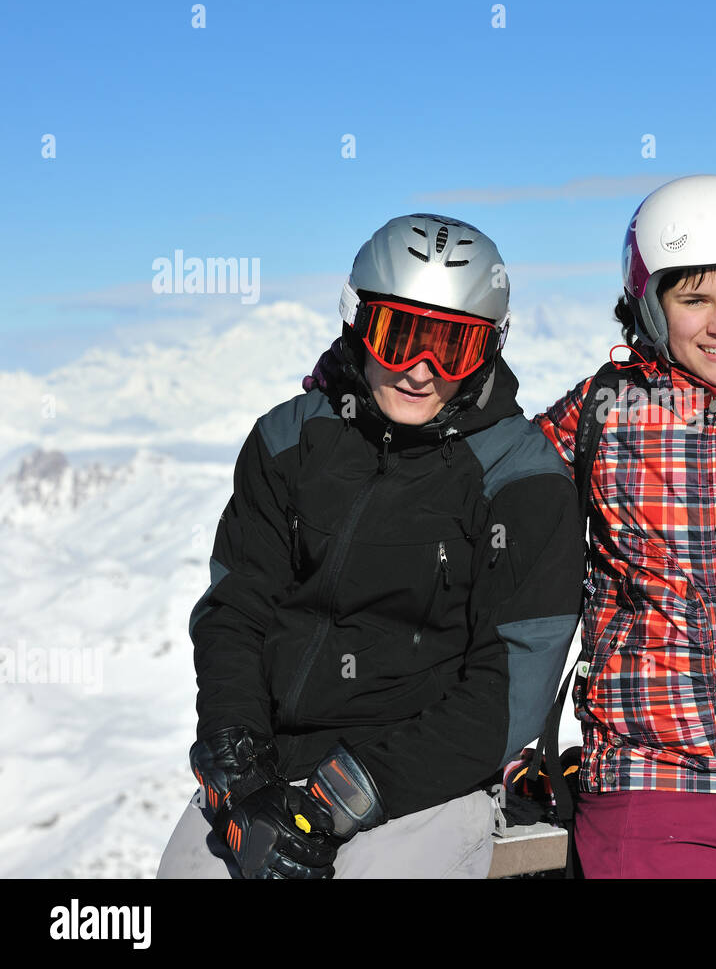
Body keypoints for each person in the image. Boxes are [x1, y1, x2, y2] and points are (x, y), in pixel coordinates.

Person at [156, 214, 584, 879]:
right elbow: (237, 609)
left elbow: (512, 685)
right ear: (358, 320)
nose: (421, 370)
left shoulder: (522, 480)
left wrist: (346, 794)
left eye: (454, 348)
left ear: (491, 348)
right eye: (401, 335)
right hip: (272, 764)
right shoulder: (289, 440)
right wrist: (237, 763)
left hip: (422, 783)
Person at [534, 174, 716, 878]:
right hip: (650, 785)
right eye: (693, 298)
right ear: (650, 302)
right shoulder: (603, 413)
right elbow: (479, 491)